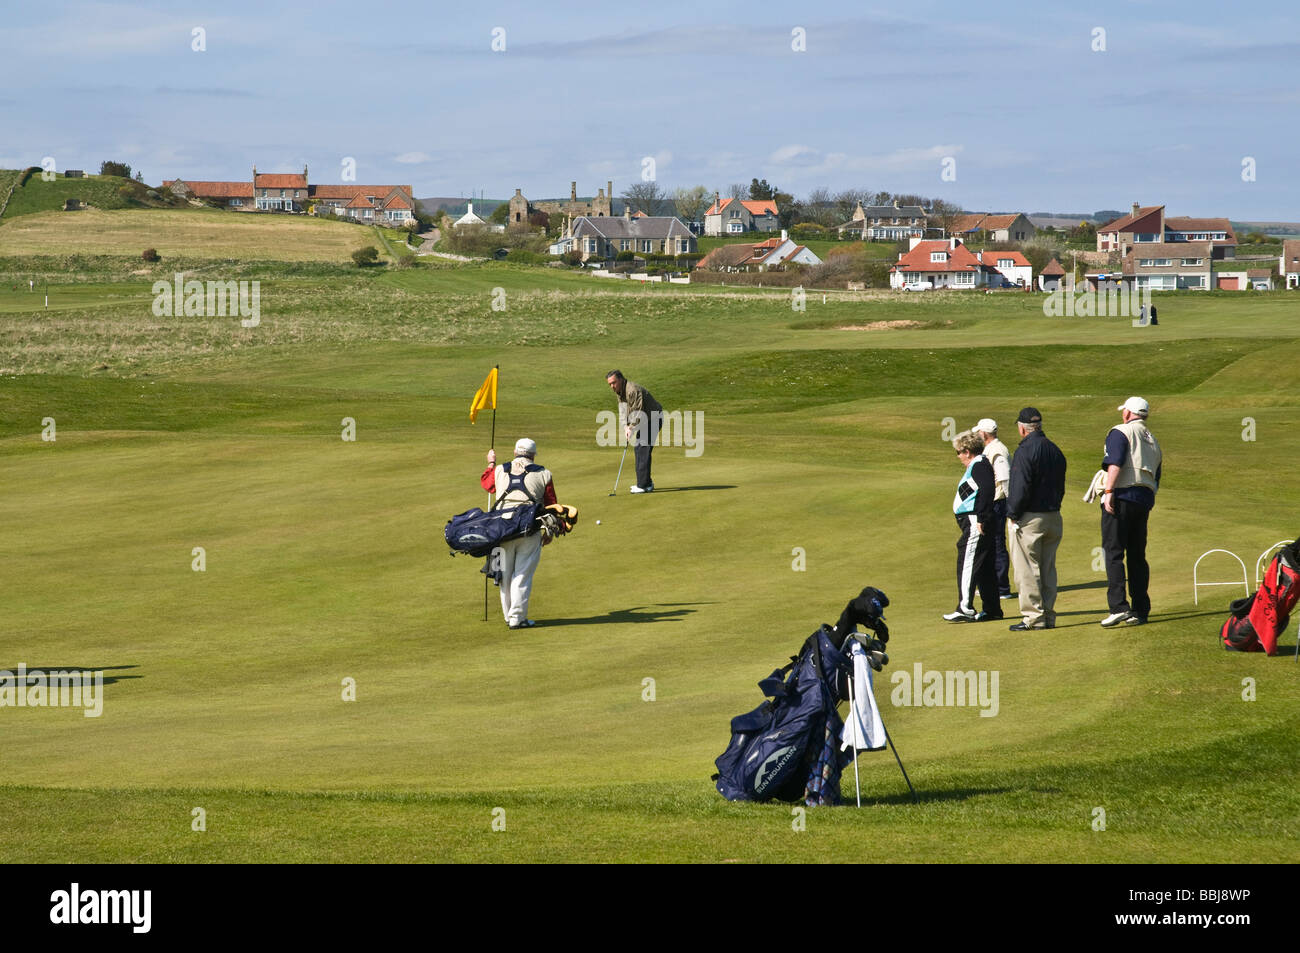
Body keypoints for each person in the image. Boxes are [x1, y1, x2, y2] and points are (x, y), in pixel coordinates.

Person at [1099, 397, 1163, 627]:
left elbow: (1115, 463)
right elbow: (1157, 476)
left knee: (1114, 552)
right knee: (1137, 555)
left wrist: (1108, 491)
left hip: (1122, 495)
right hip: (1143, 500)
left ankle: (1118, 607)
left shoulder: (1121, 431)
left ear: (1128, 413)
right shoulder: (1153, 440)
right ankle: (1140, 610)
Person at [480, 438, 557, 629]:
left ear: (515, 452)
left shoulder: (500, 469)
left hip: (501, 531)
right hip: (529, 532)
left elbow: (487, 485)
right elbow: (551, 505)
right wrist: (549, 531)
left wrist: (491, 463)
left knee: (504, 576)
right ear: (533, 455)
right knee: (522, 576)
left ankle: (509, 616)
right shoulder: (544, 474)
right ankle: (517, 618)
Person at [1005, 407, 1067, 631]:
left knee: (1027, 570)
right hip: (1053, 516)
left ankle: (1034, 618)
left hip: (1030, 518)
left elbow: (1020, 487)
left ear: (1022, 429)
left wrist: (1013, 514)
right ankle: (1048, 615)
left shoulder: (1025, 451)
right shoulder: (1055, 449)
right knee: (1047, 568)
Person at [944, 431, 1001, 623]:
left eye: (959, 452)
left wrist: (982, 517)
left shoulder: (979, 465)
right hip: (976, 519)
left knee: (967, 561)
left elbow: (987, 490)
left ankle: (965, 608)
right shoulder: (979, 465)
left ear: (967, 451)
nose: (958, 456)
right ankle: (992, 609)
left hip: (975, 521)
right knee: (984, 566)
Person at [973, 417, 1013, 599]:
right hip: (994, 502)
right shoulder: (991, 449)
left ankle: (1001, 587)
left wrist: (1010, 506)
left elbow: (1005, 479)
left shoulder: (997, 450)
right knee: (991, 543)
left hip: (998, 502)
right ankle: (993, 585)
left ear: (984, 434)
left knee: (997, 543)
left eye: (978, 433)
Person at [605, 369, 662, 493]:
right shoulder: (620, 391)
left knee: (642, 449)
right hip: (645, 420)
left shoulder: (633, 390)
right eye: (610, 384)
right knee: (639, 449)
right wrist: (625, 427)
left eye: (614, 382)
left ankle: (642, 485)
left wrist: (631, 428)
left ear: (621, 379)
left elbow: (638, 412)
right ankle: (647, 483)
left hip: (653, 418)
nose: (612, 386)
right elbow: (623, 411)